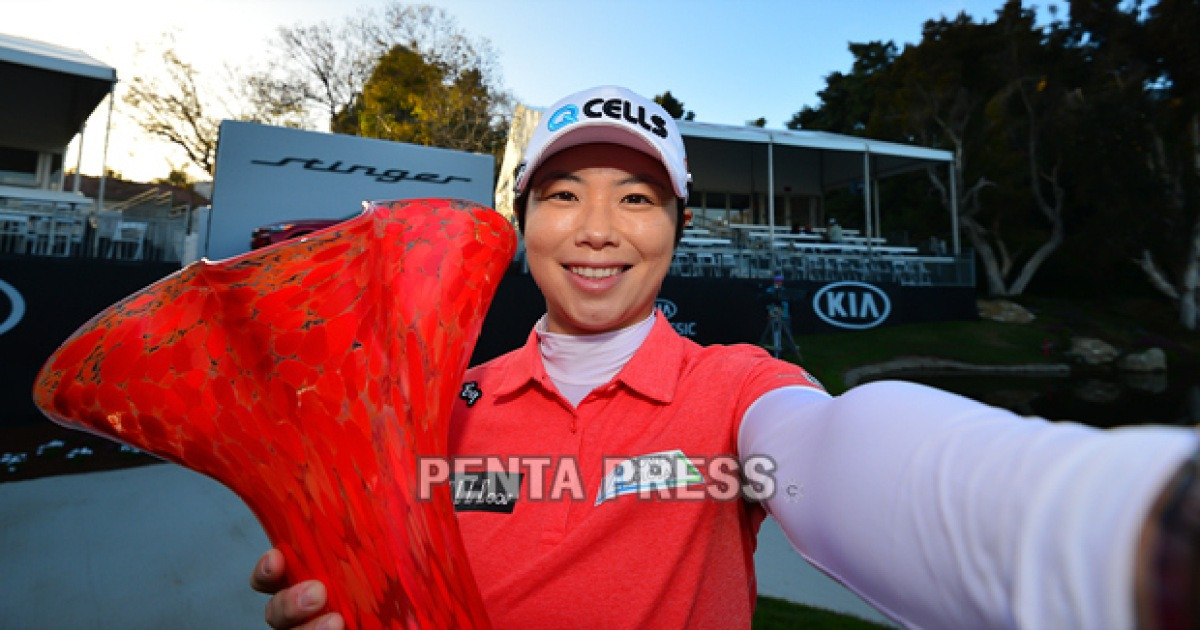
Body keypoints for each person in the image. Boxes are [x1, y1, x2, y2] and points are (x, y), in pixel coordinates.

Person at [252, 86, 1200, 629]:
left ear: (678, 227)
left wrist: (1124, 533)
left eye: (636, 198)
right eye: (563, 194)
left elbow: (841, 453)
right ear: (522, 221)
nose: (595, 231)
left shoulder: (735, 384)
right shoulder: (444, 404)